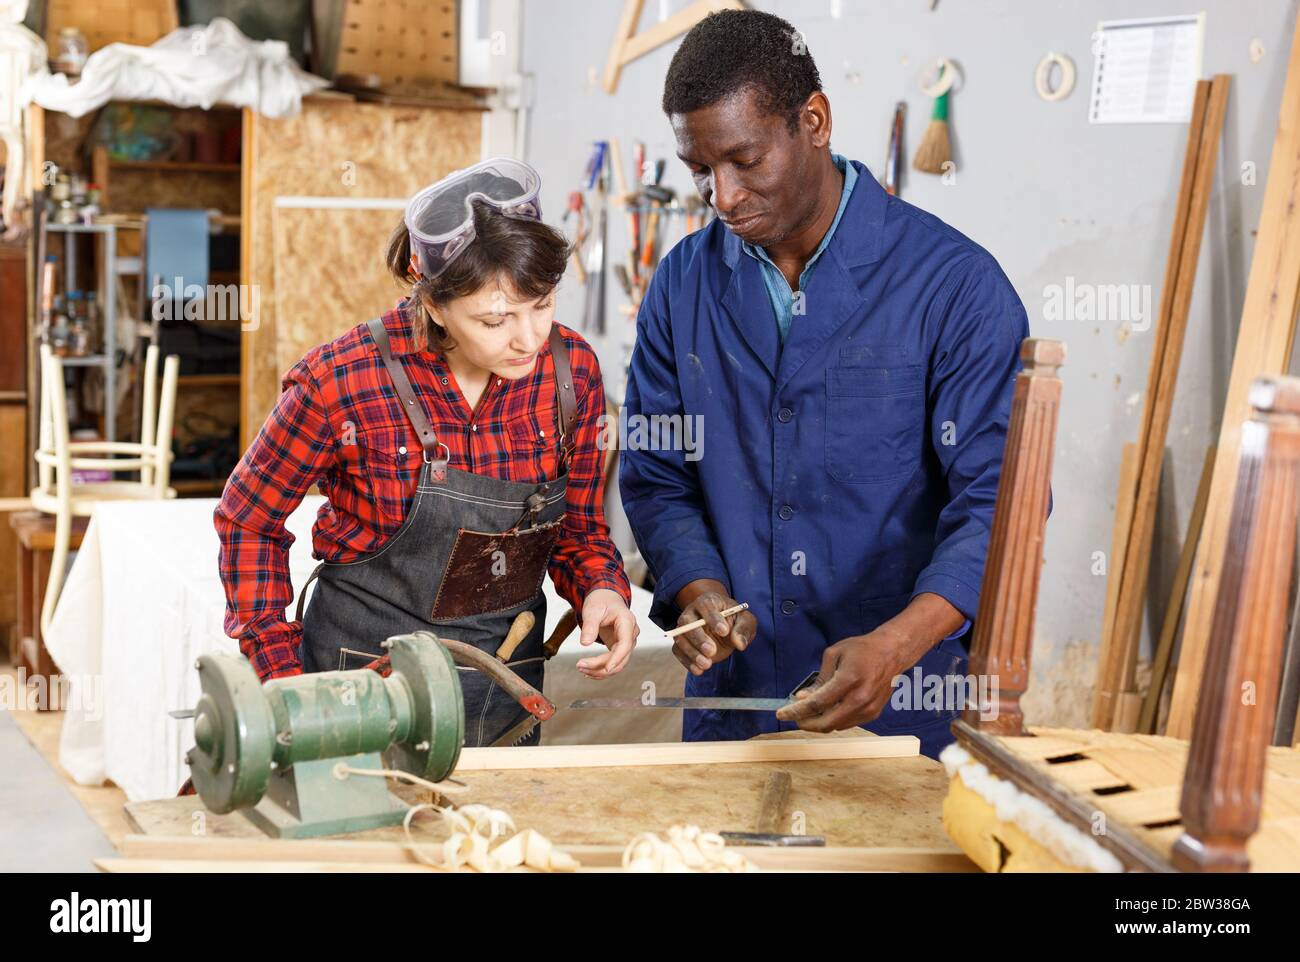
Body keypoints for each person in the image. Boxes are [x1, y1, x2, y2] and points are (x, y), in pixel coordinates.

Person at [620, 10, 1030, 758]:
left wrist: (897, 645)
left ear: (813, 121)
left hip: (903, 712)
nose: (723, 196)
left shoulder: (955, 288)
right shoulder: (680, 286)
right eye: (700, 171)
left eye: (744, 160)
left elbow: (996, 509)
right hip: (734, 714)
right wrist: (699, 590)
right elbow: (656, 475)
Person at [216, 157, 638, 747]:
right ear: (434, 304)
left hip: (501, 690)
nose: (530, 338)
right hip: (354, 690)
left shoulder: (572, 375)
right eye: (496, 319)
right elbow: (248, 519)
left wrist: (601, 587)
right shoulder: (342, 380)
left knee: (490, 843)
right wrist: (284, 678)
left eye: (542, 304)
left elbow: (580, 528)